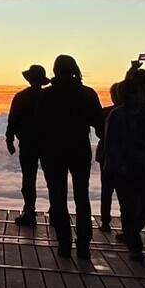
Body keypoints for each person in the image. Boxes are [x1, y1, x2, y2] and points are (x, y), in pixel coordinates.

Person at [37, 54, 104, 261]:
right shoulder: (87, 94)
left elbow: (39, 125)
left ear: (55, 71)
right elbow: (99, 125)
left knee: (57, 197)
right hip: (79, 149)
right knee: (82, 198)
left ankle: (64, 243)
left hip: (53, 150)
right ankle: (84, 245)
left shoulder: (46, 95)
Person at [101, 70, 145, 261]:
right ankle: (134, 245)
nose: (141, 95)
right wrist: (116, 165)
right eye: (136, 92)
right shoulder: (117, 116)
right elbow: (111, 143)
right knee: (128, 207)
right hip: (125, 168)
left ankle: (132, 234)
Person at [6, 64, 48, 227]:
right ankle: (56, 211)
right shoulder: (49, 96)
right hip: (47, 143)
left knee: (28, 179)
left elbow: (13, 120)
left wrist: (9, 139)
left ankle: (29, 212)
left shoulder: (21, 96)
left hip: (28, 143)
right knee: (52, 179)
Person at [97, 82, 125, 232]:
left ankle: (105, 221)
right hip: (125, 156)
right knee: (124, 191)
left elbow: (99, 132)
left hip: (105, 154)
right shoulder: (136, 113)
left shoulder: (106, 112)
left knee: (106, 189)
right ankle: (126, 223)